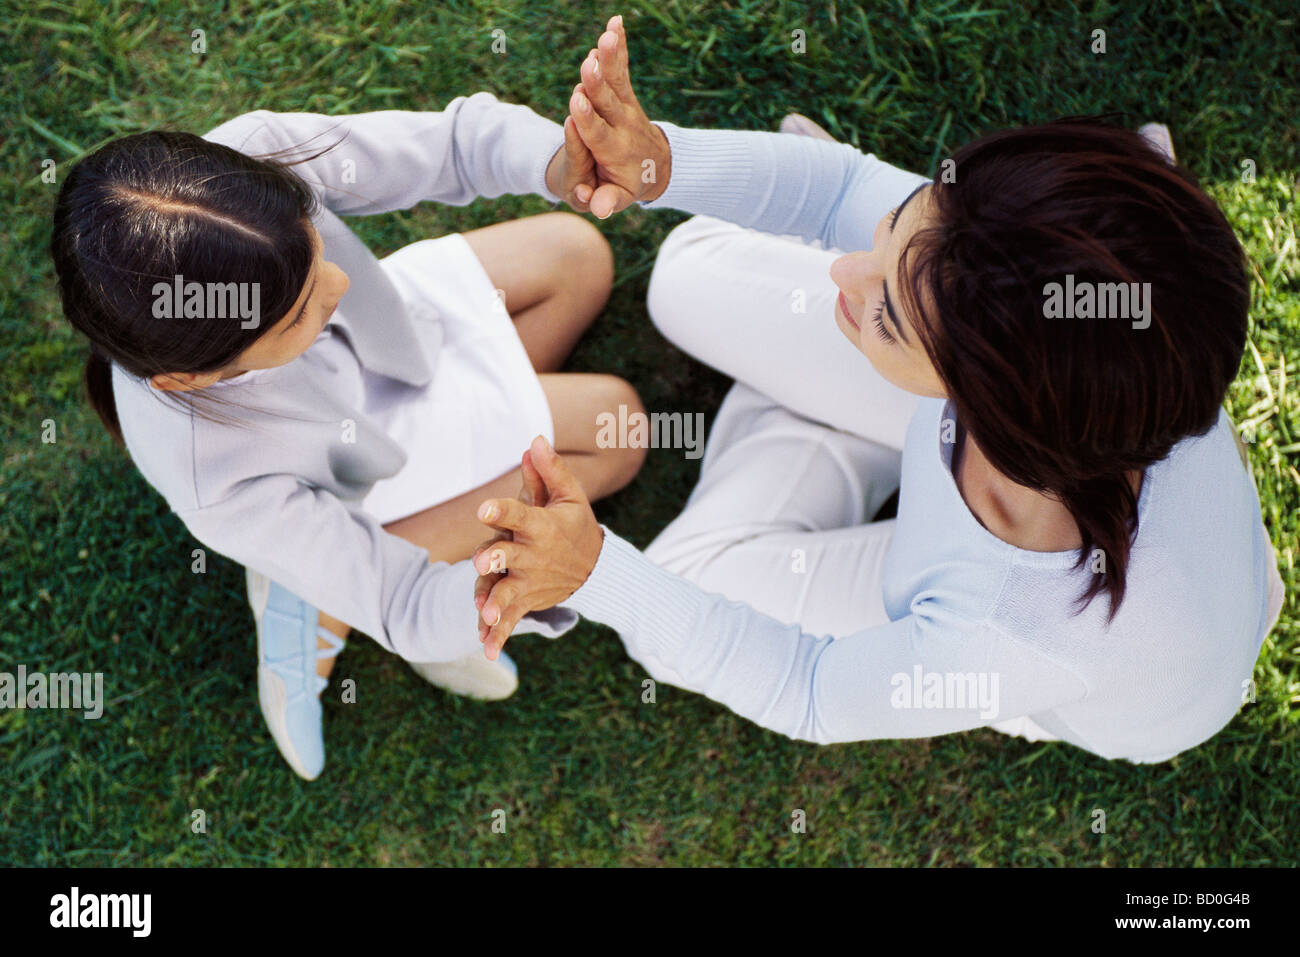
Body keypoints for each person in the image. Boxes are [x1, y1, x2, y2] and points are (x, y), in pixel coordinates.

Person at [470, 15, 1286, 763]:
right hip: (990, 413)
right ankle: (846, 401)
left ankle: (824, 422)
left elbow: (811, 686)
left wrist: (594, 570)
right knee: (683, 275)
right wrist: (662, 161)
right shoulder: (1058, 323)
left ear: (985, 409)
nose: (842, 270)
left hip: (992, 604)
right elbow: (832, 192)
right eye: (904, 222)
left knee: (681, 575)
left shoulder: (1003, 632)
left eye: (889, 310)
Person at [51, 93, 645, 779]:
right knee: (619, 429)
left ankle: (315, 571)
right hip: (358, 465)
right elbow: (403, 601)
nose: (339, 283)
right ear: (190, 377)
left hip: (398, 340)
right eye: (299, 312)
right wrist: (498, 593)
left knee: (579, 256)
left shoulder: (241, 175)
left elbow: (448, 147)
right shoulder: (212, 478)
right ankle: (324, 591)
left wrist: (557, 156)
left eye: (313, 245)